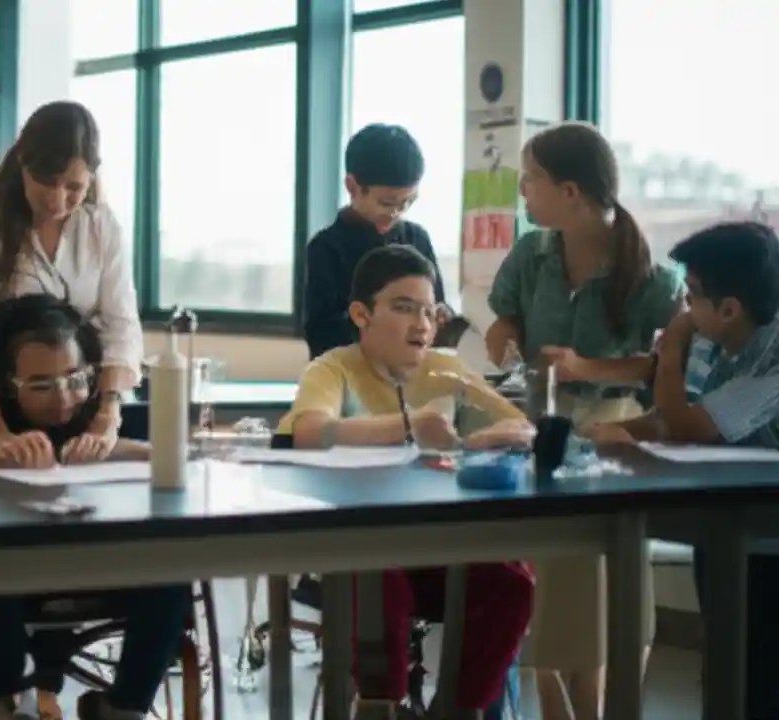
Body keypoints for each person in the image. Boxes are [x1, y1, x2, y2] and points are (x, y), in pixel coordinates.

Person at [278, 245, 534, 719]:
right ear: (361, 314)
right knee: (377, 576)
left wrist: (483, 439)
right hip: (359, 553)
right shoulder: (333, 368)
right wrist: (408, 425)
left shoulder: (447, 369)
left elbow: (523, 428)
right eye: (402, 307)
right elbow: (309, 432)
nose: (422, 324)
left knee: (510, 583)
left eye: (430, 311)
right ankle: (380, 706)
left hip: (439, 551)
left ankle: (459, 708)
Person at [485, 122, 680, 720]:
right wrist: (510, 345)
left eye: (530, 179)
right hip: (540, 430)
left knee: (597, 590)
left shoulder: (650, 273)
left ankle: (594, 707)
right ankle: (555, 707)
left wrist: (582, 365)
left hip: (613, 436)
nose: (521, 191)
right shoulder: (531, 252)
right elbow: (502, 324)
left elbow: (662, 369)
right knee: (543, 583)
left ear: (569, 191)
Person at [0, 294, 185, 720]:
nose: (62, 397)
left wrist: (115, 449)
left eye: (75, 378)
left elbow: (163, 455)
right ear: (8, 384)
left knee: (171, 572)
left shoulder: (100, 415)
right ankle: (14, 701)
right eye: (40, 385)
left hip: (101, 566)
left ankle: (124, 706)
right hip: (18, 576)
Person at [588, 221, 779, 718]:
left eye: (692, 296)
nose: (684, 309)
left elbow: (690, 426)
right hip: (727, 515)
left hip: (769, 529)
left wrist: (669, 349)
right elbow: (670, 420)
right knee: (723, 658)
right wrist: (602, 435)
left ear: (730, 309)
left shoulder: (773, 353)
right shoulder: (715, 338)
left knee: (759, 668)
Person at [0, 100, 143, 468]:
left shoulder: (101, 225)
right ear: (22, 165)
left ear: (92, 177)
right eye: (46, 181)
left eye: (74, 186)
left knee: (79, 476)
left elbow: (121, 323)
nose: (57, 199)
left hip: (64, 383)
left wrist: (107, 419)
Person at [303, 124, 448, 359]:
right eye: (387, 203)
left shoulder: (417, 240)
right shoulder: (327, 247)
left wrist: (441, 317)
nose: (397, 213)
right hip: (347, 377)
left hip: (407, 378)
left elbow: (436, 308)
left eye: (408, 202)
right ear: (353, 187)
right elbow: (320, 334)